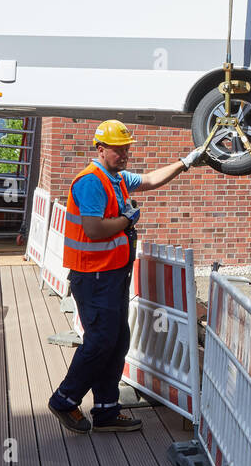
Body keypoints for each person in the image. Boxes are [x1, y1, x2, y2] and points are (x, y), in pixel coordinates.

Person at [47, 120, 205, 434]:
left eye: (126, 149)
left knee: (117, 340)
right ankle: (65, 399)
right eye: (118, 150)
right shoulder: (92, 181)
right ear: (100, 149)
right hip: (93, 276)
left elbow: (148, 180)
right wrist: (125, 219)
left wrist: (186, 163)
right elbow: (93, 230)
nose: (124, 155)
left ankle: (106, 410)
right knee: (101, 340)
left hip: (110, 274)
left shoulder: (115, 178)